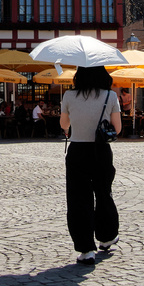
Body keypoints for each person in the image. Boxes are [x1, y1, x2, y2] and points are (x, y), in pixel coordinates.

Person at [60, 65, 122, 266]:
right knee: (104, 193)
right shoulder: (110, 96)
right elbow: (117, 128)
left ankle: (86, 250)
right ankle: (107, 237)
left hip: (78, 150)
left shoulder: (69, 96)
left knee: (78, 199)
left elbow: (64, 125)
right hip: (101, 150)